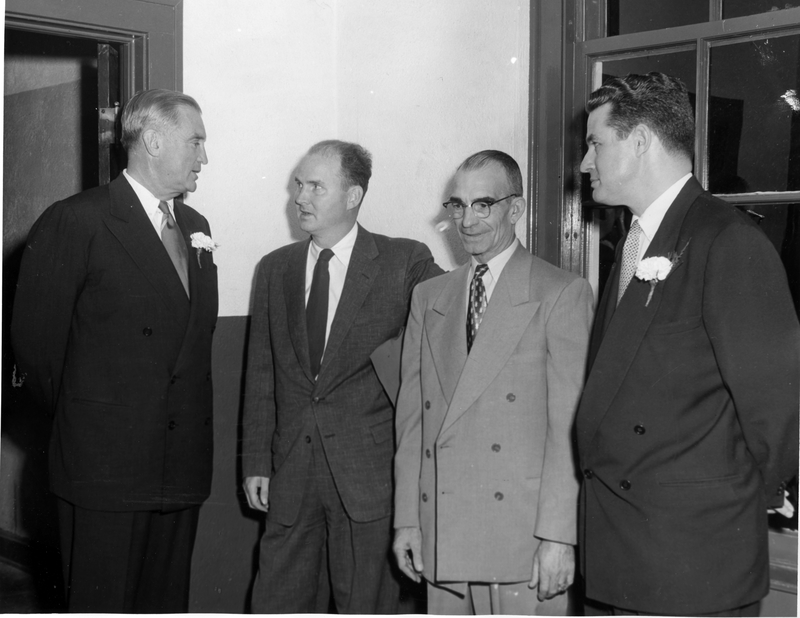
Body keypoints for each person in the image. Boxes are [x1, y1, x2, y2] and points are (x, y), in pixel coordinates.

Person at [576, 72, 800, 616]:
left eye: (594, 144)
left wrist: (725, 503)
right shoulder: (634, 243)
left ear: (641, 141)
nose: (584, 164)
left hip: (690, 562)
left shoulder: (728, 241)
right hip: (622, 549)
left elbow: (776, 410)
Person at [11, 89, 218, 612]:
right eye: (195, 142)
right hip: (104, 469)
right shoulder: (77, 220)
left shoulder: (196, 228)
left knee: (166, 603)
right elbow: (38, 352)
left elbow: (192, 340)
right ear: (151, 140)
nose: (204, 158)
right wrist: (96, 421)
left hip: (179, 465)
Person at [241, 139, 441, 613]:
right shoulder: (274, 269)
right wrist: (255, 460)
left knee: (367, 606)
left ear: (353, 196)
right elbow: (261, 372)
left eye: (316, 186)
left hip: (366, 477)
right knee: (277, 601)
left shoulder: (403, 261)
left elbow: (452, 317)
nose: (300, 198)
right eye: (298, 185)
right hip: (290, 472)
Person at [393, 150, 594, 615]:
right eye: (457, 205)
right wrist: (408, 520)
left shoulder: (560, 293)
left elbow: (570, 432)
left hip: (521, 538)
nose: (466, 220)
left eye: (482, 204)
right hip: (442, 530)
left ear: (515, 209)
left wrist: (560, 537)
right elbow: (411, 424)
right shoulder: (429, 296)